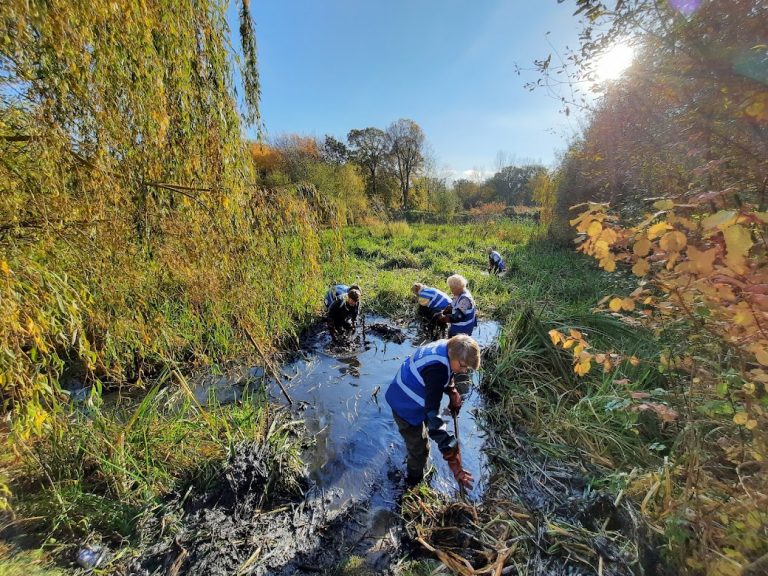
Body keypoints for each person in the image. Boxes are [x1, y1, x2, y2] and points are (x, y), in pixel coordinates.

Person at [385, 334, 480, 489]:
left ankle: (414, 465)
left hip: (405, 390)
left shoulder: (447, 346)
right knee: (419, 448)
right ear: (452, 355)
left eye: (467, 369)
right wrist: (450, 452)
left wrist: (452, 391)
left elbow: (447, 373)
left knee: (421, 442)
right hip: (405, 405)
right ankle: (413, 482)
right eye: (463, 366)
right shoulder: (438, 369)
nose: (463, 371)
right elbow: (432, 416)